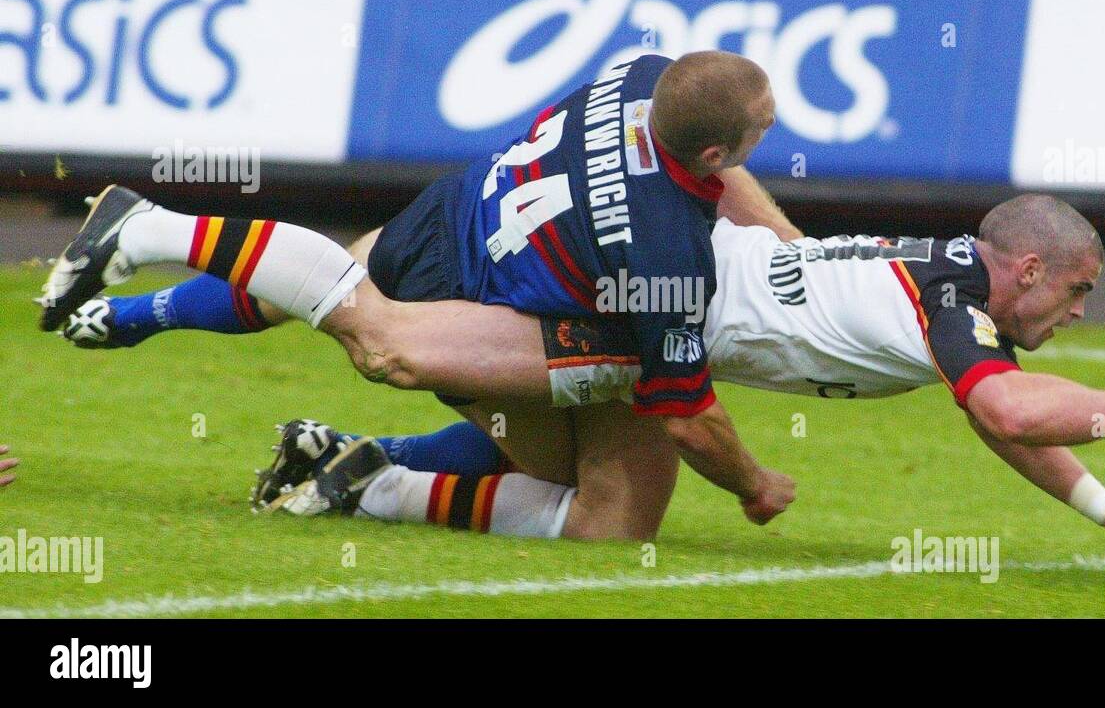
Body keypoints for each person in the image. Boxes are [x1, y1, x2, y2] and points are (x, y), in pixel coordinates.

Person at [67, 195, 1105, 538]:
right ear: (1027, 268)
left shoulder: (948, 282)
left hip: (616, 292)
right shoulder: (950, 297)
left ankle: (342, 468)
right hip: (621, 305)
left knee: (377, 290)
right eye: (1078, 292)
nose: (1081, 314)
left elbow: (1004, 415)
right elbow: (1018, 403)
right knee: (388, 335)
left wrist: (1098, 504)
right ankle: (154, 236)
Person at [37, 51, 797, 537]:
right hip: (476, 300)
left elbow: (699, 164)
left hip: (455, 213)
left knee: (315, 283)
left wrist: (793, 249)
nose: (763, 139)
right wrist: (755, 485)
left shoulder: (642, 75)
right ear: (711, 149)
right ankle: (375, 478)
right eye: (759, 130)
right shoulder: (668, 249)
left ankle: (126, 311)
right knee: (589, 497)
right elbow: (689, 416)